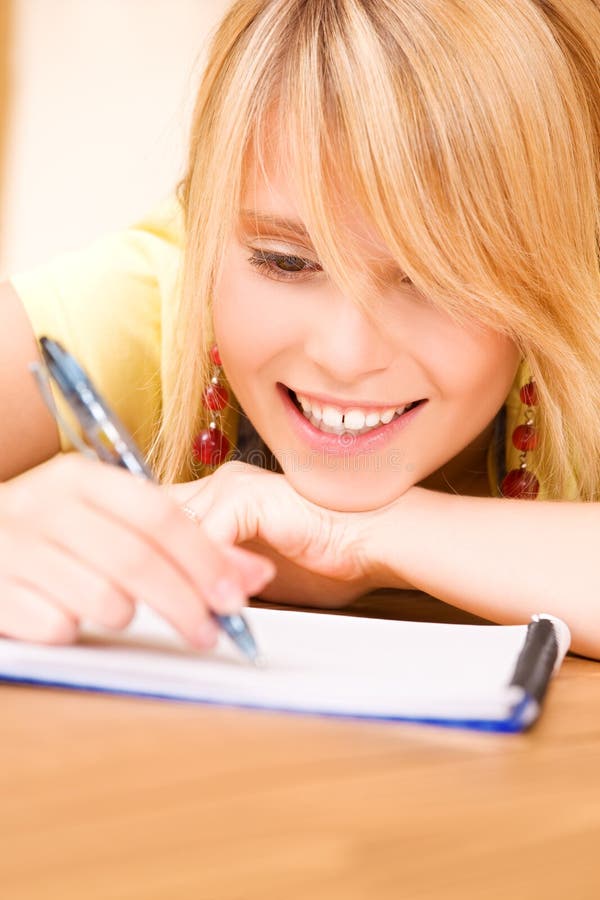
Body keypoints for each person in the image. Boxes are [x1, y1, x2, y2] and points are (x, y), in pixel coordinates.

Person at [1, 0, 599, 657]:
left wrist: (350, 535)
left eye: (434, 280)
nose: (345, 355)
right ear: (202, 219)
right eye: (286, 262)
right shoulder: (144, 304)